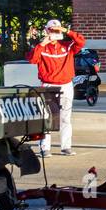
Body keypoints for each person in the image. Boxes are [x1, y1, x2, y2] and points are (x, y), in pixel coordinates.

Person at [28, 19, 86, 157]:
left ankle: (66, 147)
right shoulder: (42, 47)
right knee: (47, 117)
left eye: (56, 30)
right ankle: (44, 148)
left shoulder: (67, 46)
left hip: (66, 85)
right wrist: (43, 43)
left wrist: (66, 30)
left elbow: (81, 42)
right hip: (48, 85)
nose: (54, 32)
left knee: (66, 118)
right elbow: (32, 59)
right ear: (46, 30)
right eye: (51, 30)